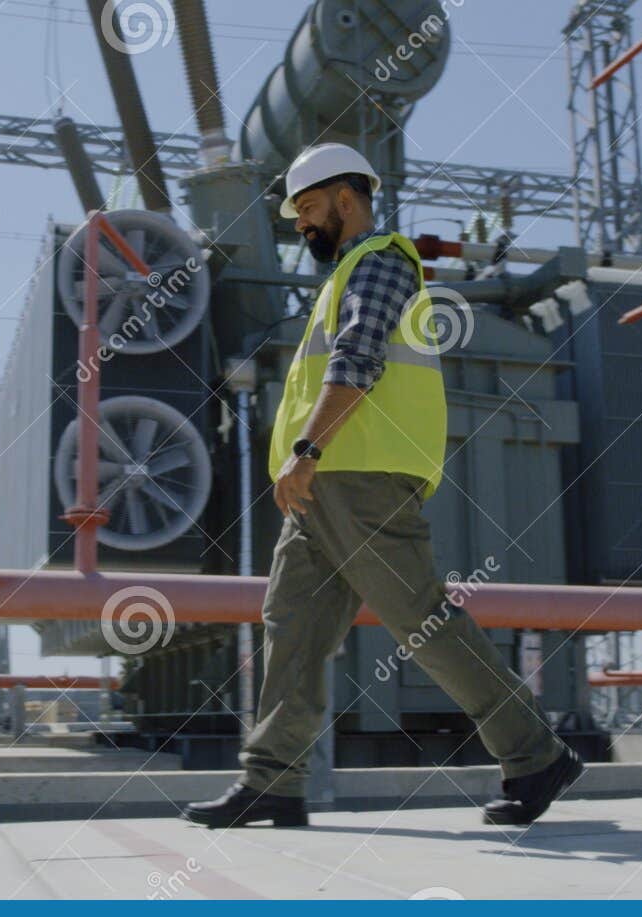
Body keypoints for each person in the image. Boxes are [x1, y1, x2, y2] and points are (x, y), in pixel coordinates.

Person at [181, 143, 582, 829]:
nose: (302, 224)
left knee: (421, 622)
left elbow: (359, 357)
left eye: (308, 208)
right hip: (321, 487)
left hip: (360, 475)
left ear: (346, 197)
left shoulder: (382, 263)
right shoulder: (342, 276)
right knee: (292, 625)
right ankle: (273, 780)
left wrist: (306, 447)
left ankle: (535, 753)